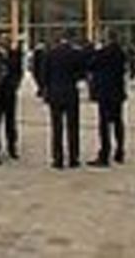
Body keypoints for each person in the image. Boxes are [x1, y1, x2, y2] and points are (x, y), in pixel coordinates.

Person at [43, 31, 86, 169]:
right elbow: (82, 73)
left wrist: (46, 88)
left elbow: (44, 74)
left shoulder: (51, 54)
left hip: (55, 92)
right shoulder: (75, 53)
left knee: (57, 127)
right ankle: (73, 158)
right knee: (73, 126)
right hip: (70, 92)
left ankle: (58, 158)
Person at [87, 29, 128, 167]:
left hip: (105, 92)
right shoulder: (121, 52)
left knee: (104, 124)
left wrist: (96, 50)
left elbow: (91, 65)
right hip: (117, 91)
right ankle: (120, 151)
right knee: (118, 122)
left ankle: (104, 154)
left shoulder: (103, 53)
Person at [0, 35, 23, 159]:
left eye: (7, 42)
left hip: (9, 92)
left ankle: (12, 147)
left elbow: (18, 71)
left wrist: (15, 84)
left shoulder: (15, 55)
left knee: (10, 121)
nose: (5, 44)